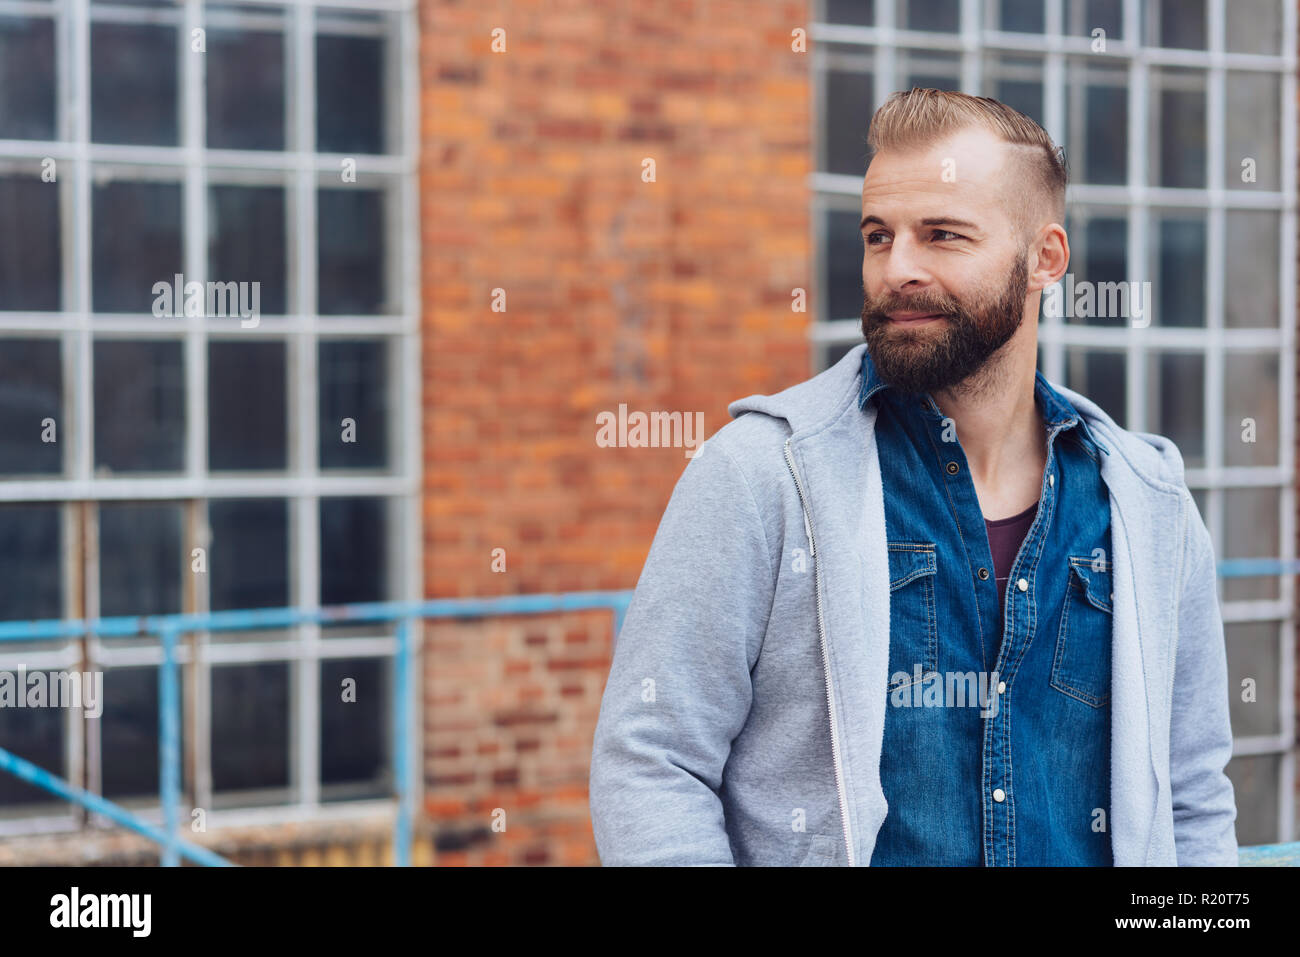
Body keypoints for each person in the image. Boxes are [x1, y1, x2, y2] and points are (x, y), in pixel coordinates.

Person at [588, 89, 1238, 866]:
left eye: (942, 235)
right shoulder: (764, 474)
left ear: (1045, 259)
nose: (897, 269)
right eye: (877, 235)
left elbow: (1195, 795)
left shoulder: (1147, 502)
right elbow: (651, 760)